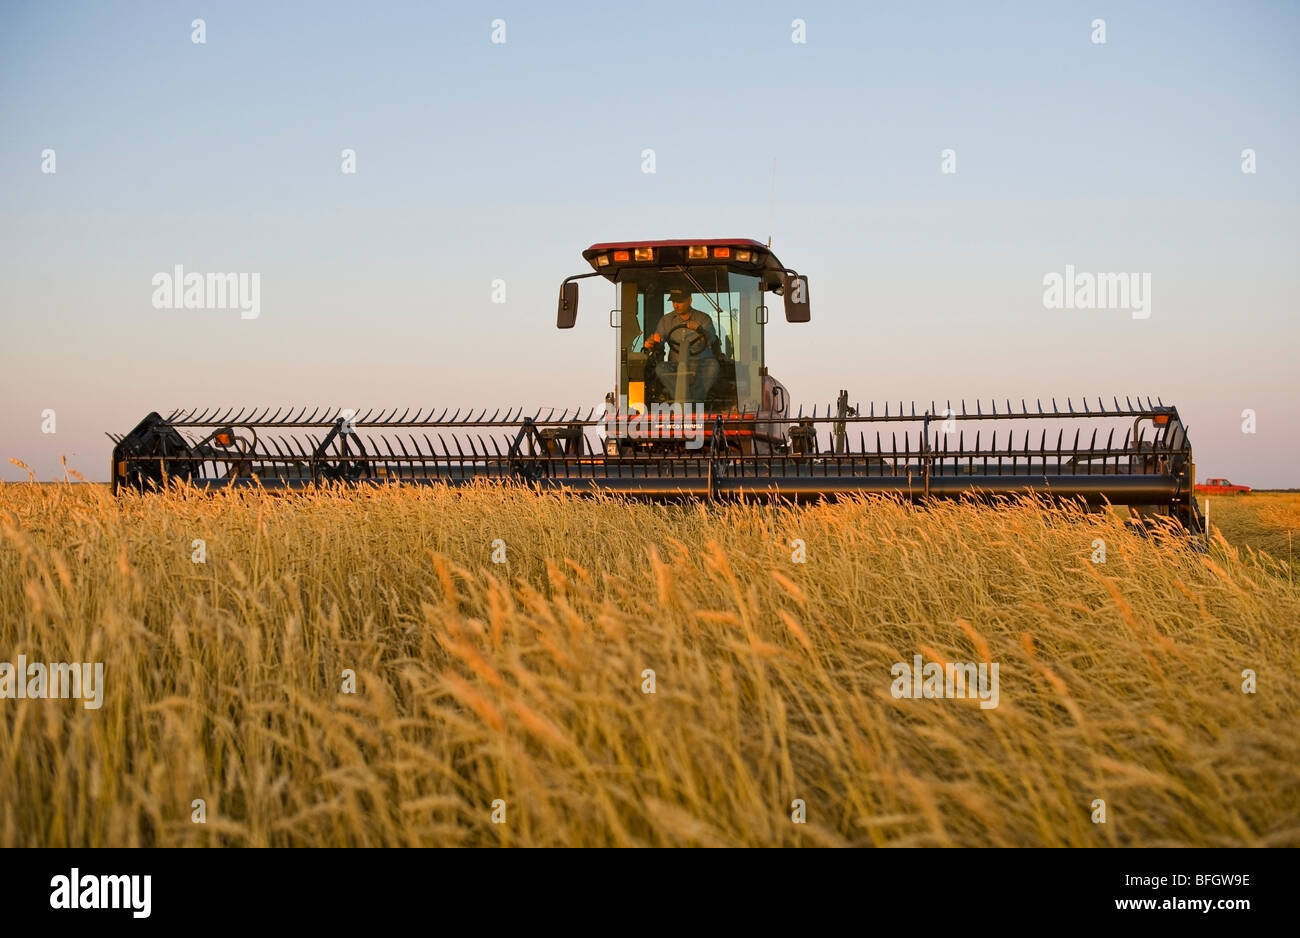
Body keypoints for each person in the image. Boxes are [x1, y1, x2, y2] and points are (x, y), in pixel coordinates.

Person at [644, 287, 720, 402]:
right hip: (676, 366)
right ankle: (687, 400)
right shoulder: (666, 321)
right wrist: (652, 342)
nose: (676, 305)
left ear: (690, 300)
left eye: (680, 302)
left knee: (713, 366)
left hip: (701, 364)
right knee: (660, 368)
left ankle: (694, 400)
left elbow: (712, 339)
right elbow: (658, 342)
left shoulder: (703, 318)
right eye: (674, 302)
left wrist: (699, 329)